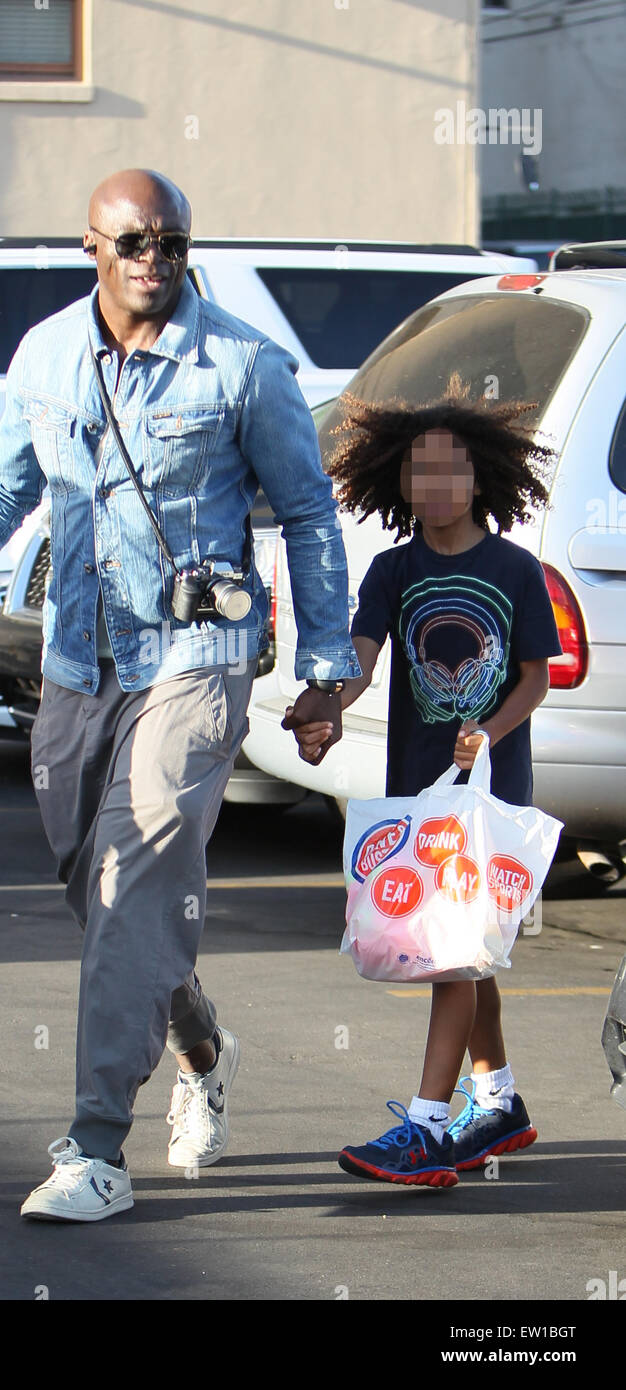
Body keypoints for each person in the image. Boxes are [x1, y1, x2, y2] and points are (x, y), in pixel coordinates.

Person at [0, 169, 360, 1222]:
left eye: (171, 243)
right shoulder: (44, 356)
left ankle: (93, 1146)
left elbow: (308, 514)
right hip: (76, 665)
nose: (153, 262)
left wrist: (319, 672)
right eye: (133, 243)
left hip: (198, 656)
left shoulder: (242, 365)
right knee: (104, 896)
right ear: (92, 246)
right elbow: (2, 488)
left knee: (132, 887)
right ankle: (201, 1044)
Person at [282, 377, 561, 1186]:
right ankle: (497, 1098)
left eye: (452, 471)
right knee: (464, 953)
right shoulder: (393, 571)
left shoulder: (514, 570)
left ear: (483, 480)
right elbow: (362, 667)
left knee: (452, 957)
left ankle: (431, 1129)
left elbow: (537, 678)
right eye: (419, 472)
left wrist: (489, 734)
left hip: (490, 795)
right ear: (398, 483)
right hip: (417, 792)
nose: (435, 487)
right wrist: (324, 707)